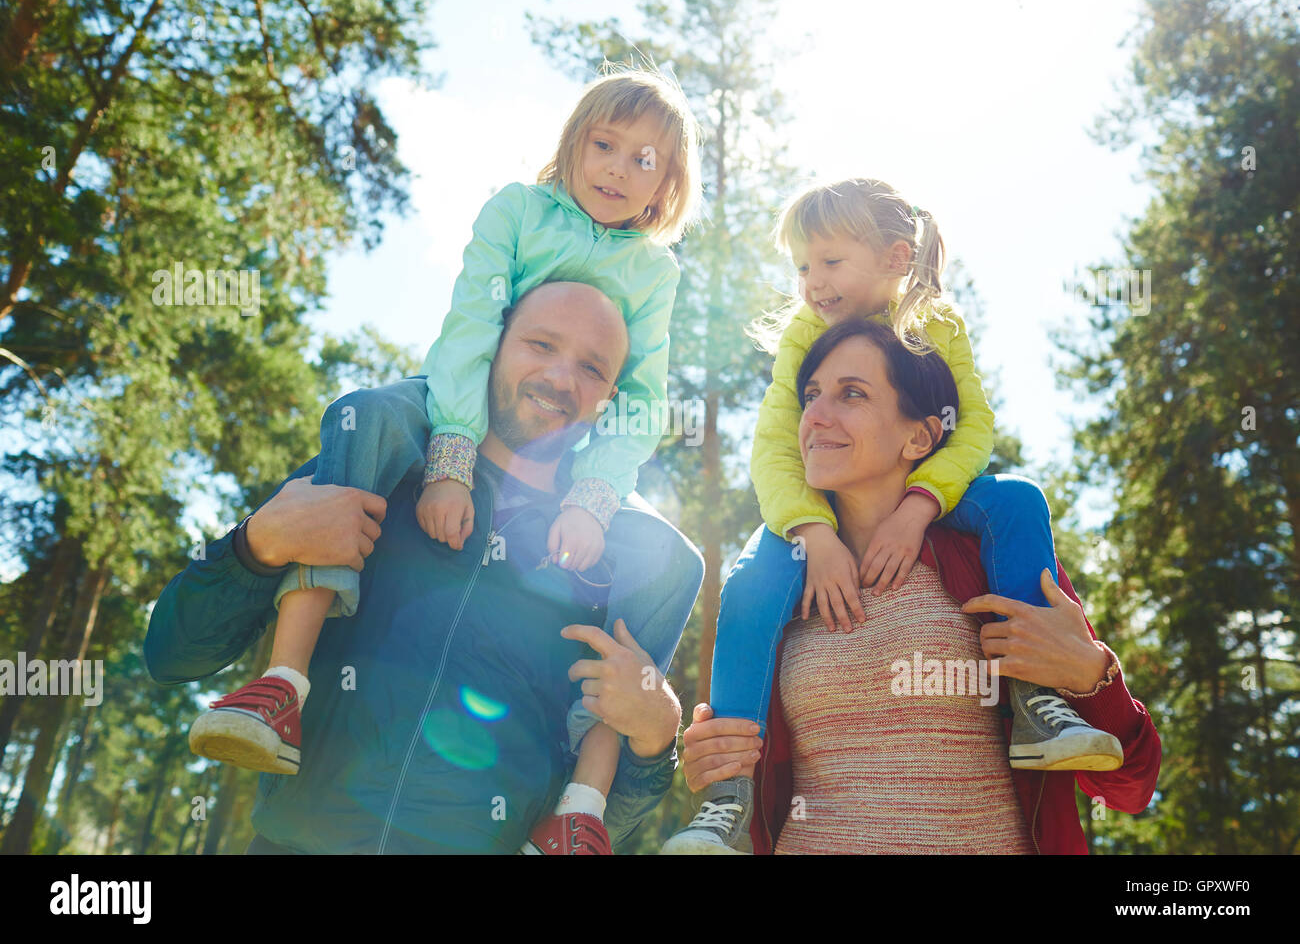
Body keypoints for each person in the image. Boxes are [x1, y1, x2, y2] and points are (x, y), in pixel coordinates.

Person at [183, 64, 704, 852]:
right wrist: (449, 458)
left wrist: (592, 498)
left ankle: (579, 807)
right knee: (361, 416)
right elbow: (468, 328)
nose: (618, 169)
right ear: (571, 146)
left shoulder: (653, 271)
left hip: (573, 505)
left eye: (646, 162)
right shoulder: (521, 210)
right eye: (605, 145)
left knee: (672, 557)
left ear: (666, 189)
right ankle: (280, 684)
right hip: (444, 399)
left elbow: (641, 399)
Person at [148, 282, 704, 853]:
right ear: (494, 343)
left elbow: (606, 824)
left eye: (591, 368)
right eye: (540, 345)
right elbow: (172, 654)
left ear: (610, 395)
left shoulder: (625, 559)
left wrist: (658, 735)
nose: (561, 380)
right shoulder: (374, 463)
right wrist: (255, 546)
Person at [662, 177, 1121, 853]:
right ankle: (728, 800)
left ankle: (1036, 705)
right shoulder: (803, 333)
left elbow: (970, 428)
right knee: (751, 579)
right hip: (806, 519)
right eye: (802, 267)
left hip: (942, 487)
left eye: (830, 262)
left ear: (896, 258)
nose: (813, 283)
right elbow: (776, 442)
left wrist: (920, 504)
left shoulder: (938, 326)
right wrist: (813, 532)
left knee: (1019, 501)